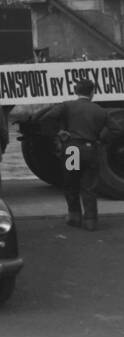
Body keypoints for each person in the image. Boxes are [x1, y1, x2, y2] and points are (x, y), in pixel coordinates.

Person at [42, 80, 109, 230]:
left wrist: (58, 132)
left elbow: (46, 119)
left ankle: (74, 217)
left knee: (71, 184)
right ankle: (91, 221)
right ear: (92, 93)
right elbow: (115, 130)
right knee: (89, 187)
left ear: (75, 91)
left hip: (72, 150)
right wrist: (100, 139)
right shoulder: (100, 110)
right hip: (90, 148)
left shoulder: (66, 106)